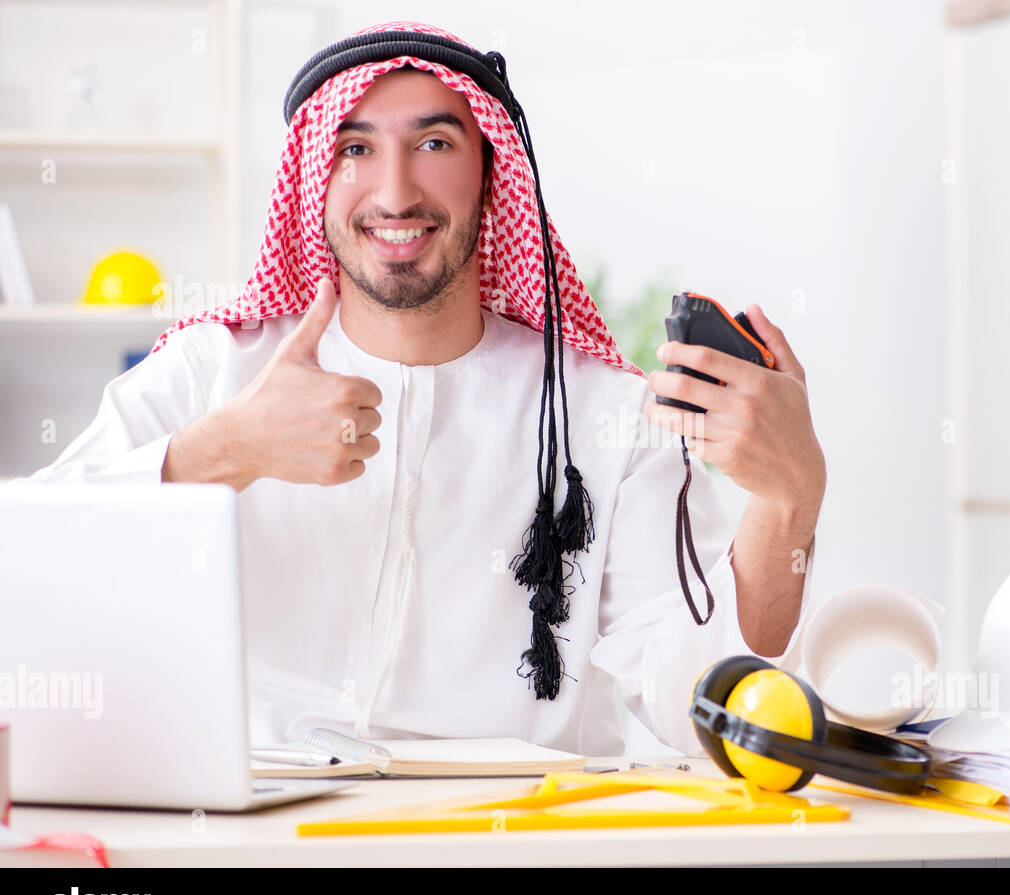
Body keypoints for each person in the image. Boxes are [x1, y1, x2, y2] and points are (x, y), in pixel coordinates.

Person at [15, 22, 826, 757]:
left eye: (434, 144)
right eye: (355, 149)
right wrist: (226, 449)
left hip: (513, 842)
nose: (395, 192)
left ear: (491, 173)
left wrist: (788, 501)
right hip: (249, 832)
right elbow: (27, 564)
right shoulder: (213, 371)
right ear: (313, 181)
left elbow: (710, 712)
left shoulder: (606, 416)